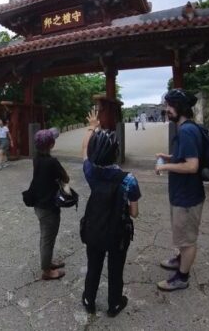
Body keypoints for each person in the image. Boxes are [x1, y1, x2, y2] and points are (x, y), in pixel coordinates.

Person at [80, 108, 141, 317]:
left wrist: (92, 127)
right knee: (116, 269)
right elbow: (134, 212)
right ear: (115, 153)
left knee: (93, 265)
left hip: (95, 227)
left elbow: (84, 151)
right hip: (117, 233)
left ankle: (89, 300)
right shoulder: (129, 179)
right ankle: (114, 304)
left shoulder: (90, 171)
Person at [154, 89, 204, 291]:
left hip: (187, 196)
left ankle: (182, 278)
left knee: (187, 238)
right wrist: (168, 157)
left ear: (180, 108)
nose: (167, 110)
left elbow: (192, 165)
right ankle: (179, 258)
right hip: (183, 194)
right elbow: (184, 157)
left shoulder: (186, 131)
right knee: (182, 234)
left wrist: (164, 167)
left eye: (170, 106)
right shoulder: (188, 128)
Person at [26, 128, 68, 280]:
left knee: (47, 235)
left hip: (39, 203)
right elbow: (66, 178)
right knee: (47, 237)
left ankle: (48, 262)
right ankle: (46, 270)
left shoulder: (36, 158)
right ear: (51, 144)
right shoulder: (52, 162)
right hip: (48, 206)